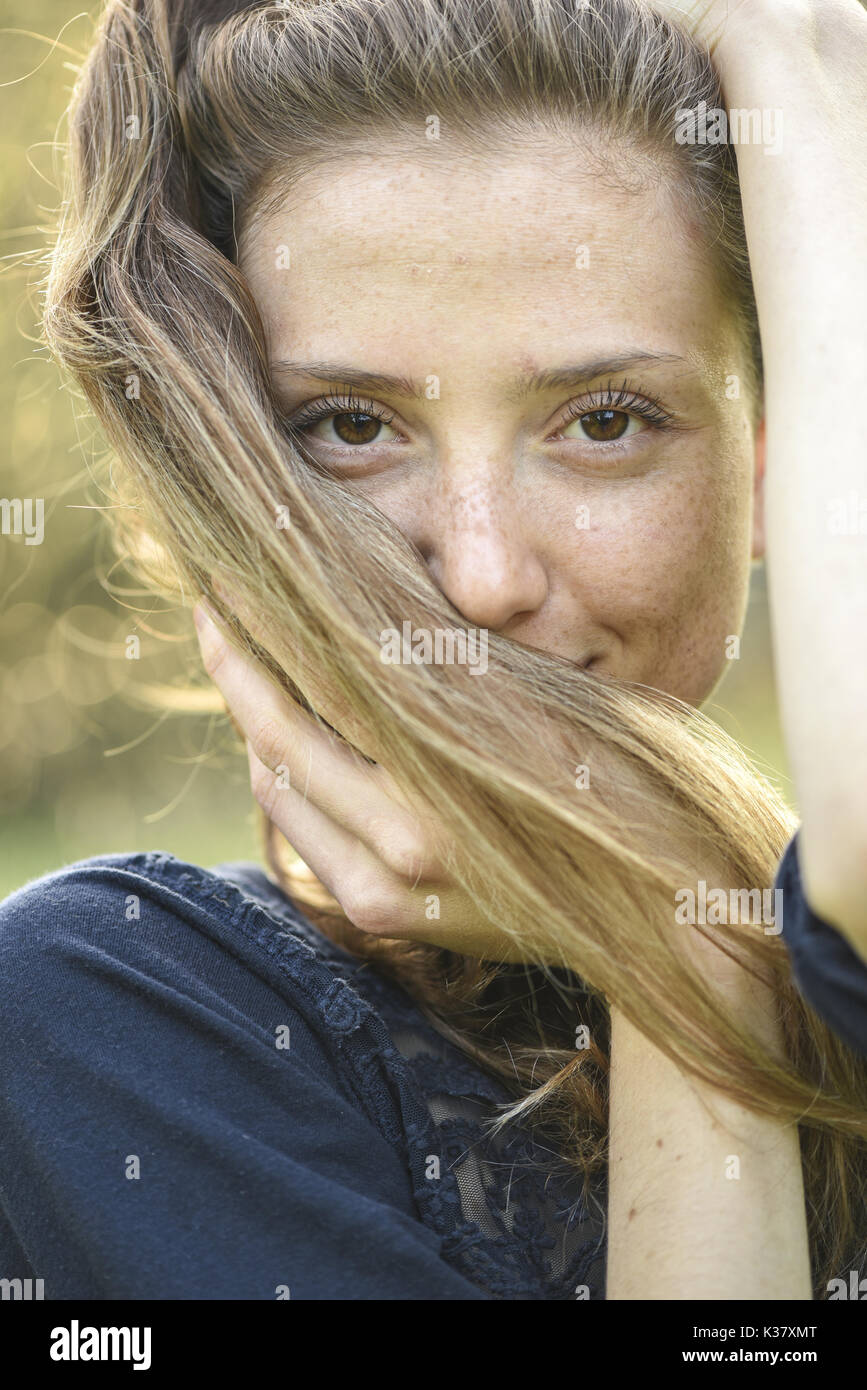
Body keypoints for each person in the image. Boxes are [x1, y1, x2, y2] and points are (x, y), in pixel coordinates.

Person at [1, 0, 865, 1300]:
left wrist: (801, 84)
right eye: (350, 423)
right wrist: (685, 966)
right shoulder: (106, 1021)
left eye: (607, 418)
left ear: (776, 466)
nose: (480, 574)